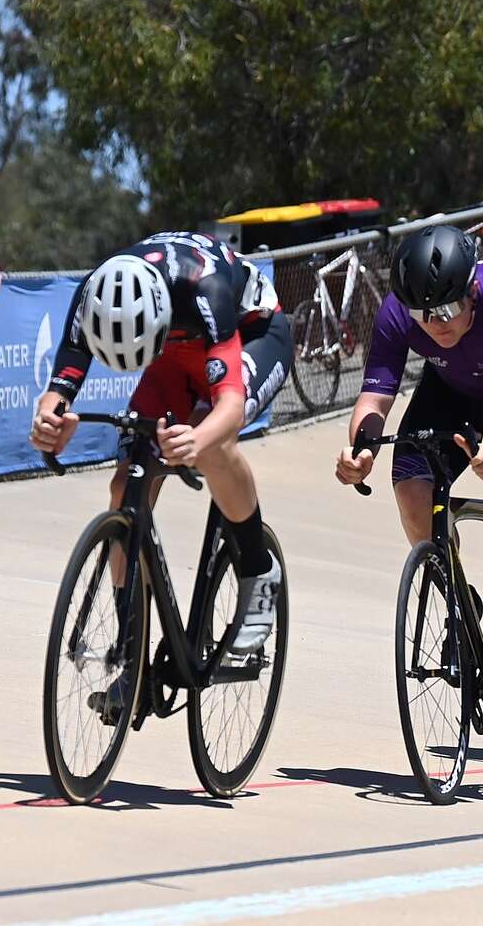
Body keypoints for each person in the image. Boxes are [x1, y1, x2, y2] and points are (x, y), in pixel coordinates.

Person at [30, 231, 292, 661]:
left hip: (251, 335)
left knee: (211, 445)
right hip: (171, 357)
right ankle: (132, 653)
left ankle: (258, 572)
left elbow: (229, 405)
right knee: (124, 483)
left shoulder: (205, 287)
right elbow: (58, 390)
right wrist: (49, 423)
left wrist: (195, 438)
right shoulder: (93, 294)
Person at [335, 225, 483, 722]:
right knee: (412, 489)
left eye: (444, 310)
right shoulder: (399, 308)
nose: (433, 323)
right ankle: (461, 601)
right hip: (450, 394)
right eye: (422, 313)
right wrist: (362, 449)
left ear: (472, 291)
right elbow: (375, 397)